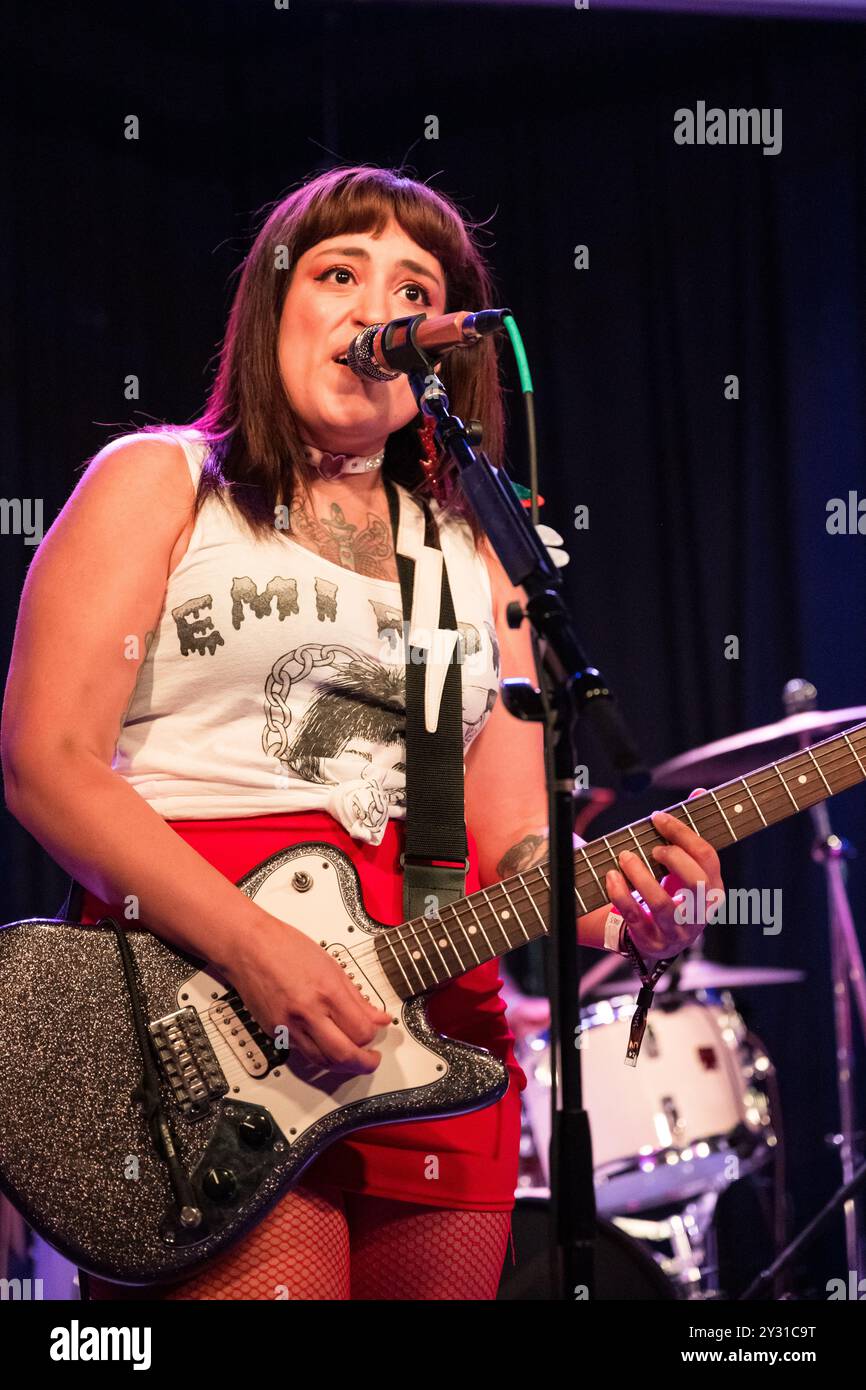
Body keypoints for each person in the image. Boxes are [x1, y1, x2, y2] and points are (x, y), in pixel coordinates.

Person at [0, 165, 723, 1300]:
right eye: (337, 273)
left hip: (438, 1037)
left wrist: (622, 907)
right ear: (268, 310)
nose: (372, 308)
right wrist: (255, 946)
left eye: (410, 287)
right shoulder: (164, 484)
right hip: (206, 1026)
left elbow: (513, 838)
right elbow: (47, 764)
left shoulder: (471, 553)